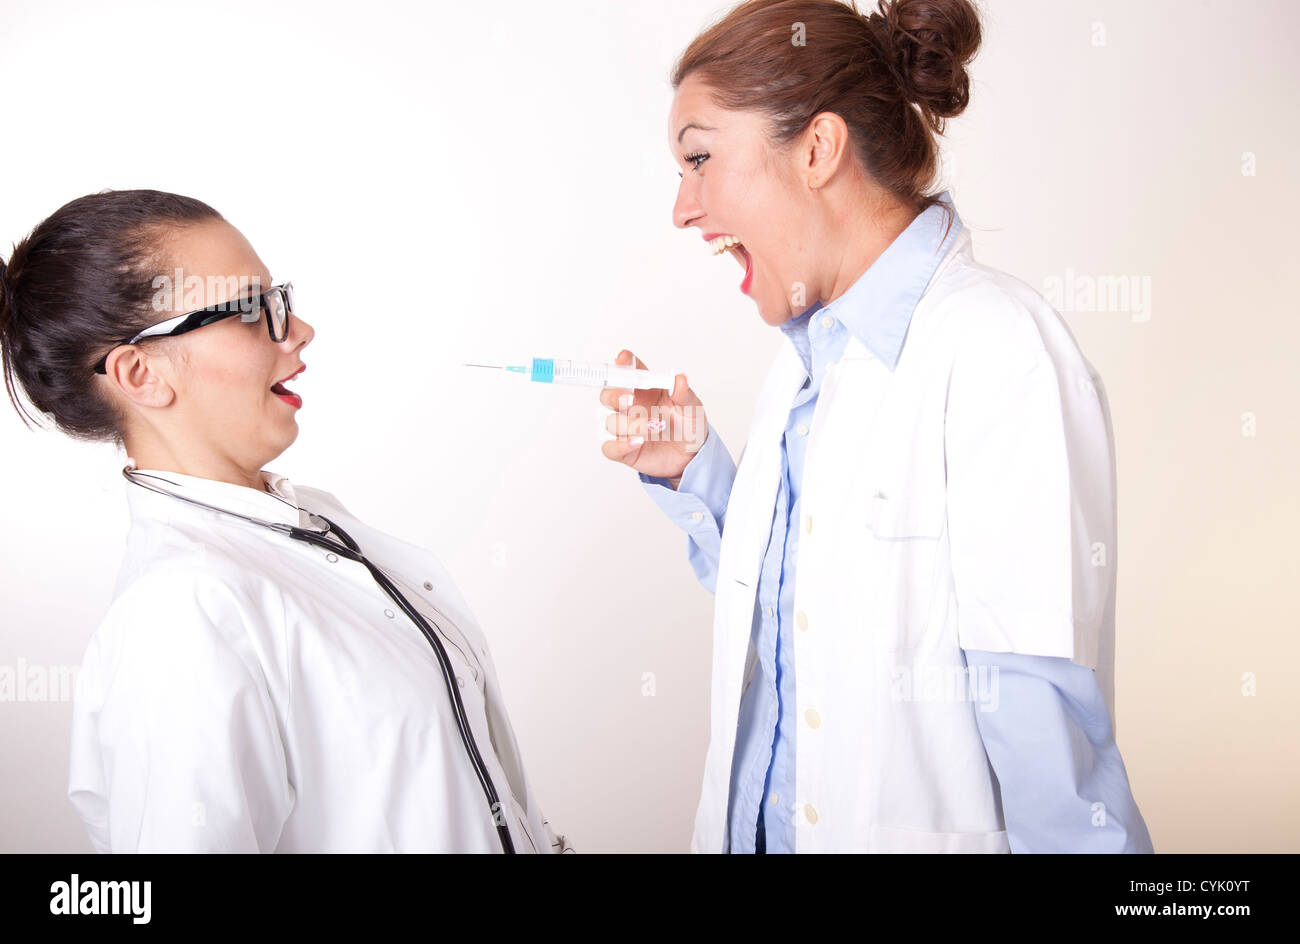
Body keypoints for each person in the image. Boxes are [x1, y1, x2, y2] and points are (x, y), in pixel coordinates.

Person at [600, 0, 1153, 853]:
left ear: (818, 149)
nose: (683, 207)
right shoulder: (810, 359)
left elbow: (1044, 729)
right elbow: (804, 621)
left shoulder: (998, 349)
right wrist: (694, 474)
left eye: (701, 158)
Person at [0, 189, 572, 853]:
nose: (298, 330)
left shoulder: (311, 525)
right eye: (250, 311)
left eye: (280, 299)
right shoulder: (184, 612)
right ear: (141, 373)